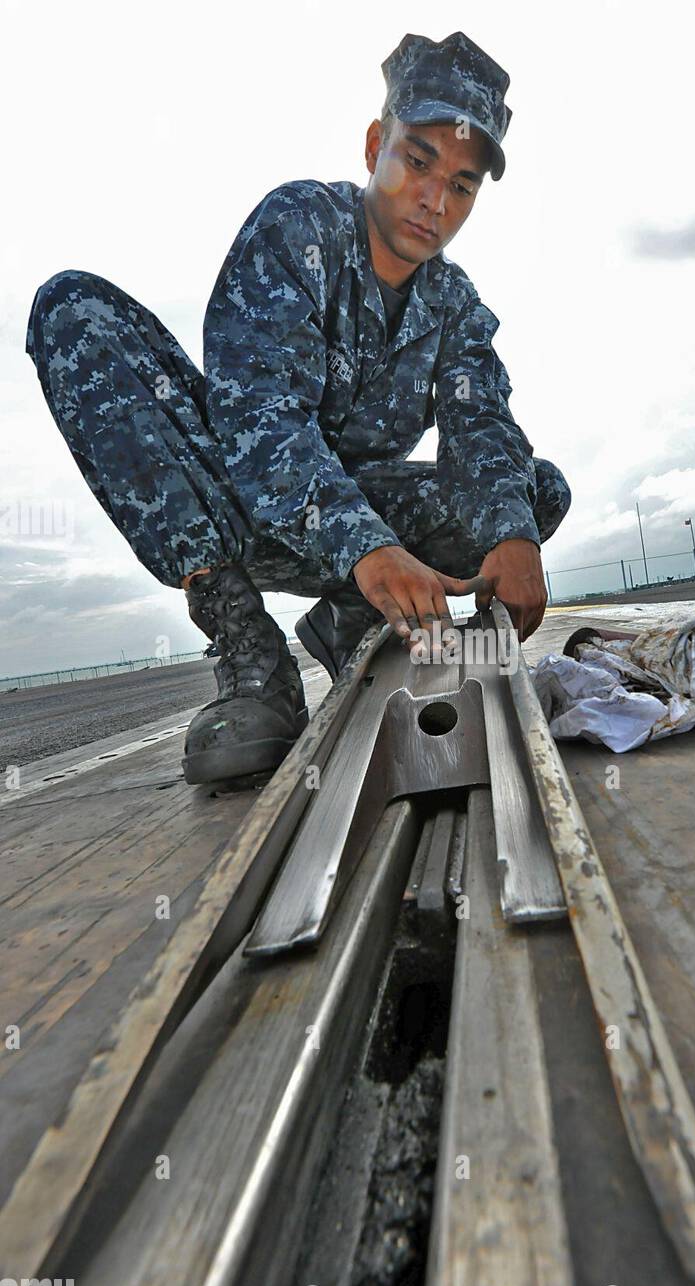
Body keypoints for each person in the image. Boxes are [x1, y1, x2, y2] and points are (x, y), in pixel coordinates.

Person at [25, 30, 572, 786]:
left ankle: (355, 619)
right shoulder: (299, 229)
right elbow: (263, 423)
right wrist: (366, 548)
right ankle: (253, 656)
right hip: (240, 505)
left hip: (369, 527)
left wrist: (513, 536)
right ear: (377, 143)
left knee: (532, 490)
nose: (433, 200)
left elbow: (482, 425)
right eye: (418, 162)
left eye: (462, 184)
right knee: (71, 310)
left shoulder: (455, 303)